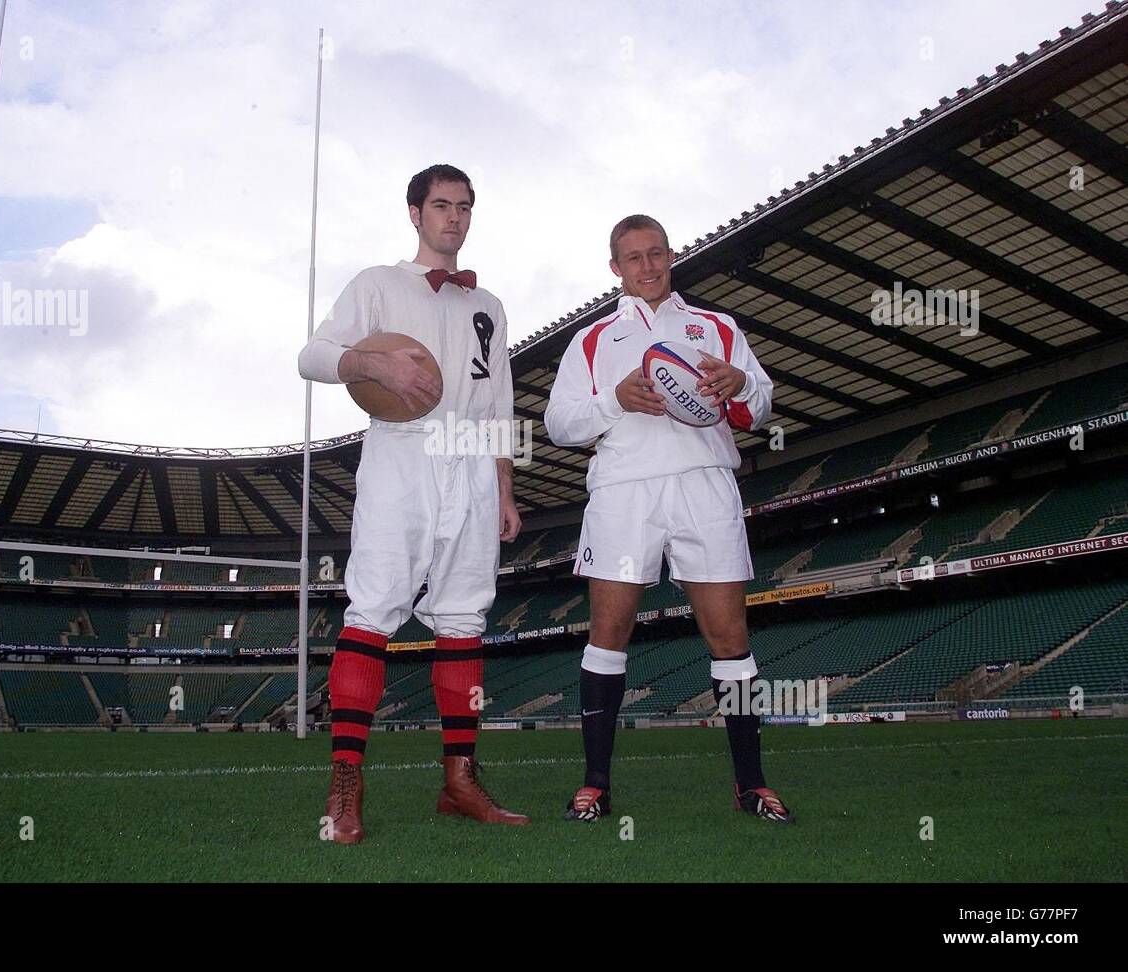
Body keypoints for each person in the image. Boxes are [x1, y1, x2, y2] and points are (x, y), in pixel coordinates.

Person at [297, 163, 527, 844]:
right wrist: (373, 366)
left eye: (464, 207)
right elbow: (311, 354)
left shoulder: (490, 304)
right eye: (441, 206)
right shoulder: (378, 283)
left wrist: (505, 486)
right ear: (415, 214)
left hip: (473, 468)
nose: (453, 218)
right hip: (402, 452)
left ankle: (459, 780)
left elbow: (501, 406)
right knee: (373, 608)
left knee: (463, 616)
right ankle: (345, 783)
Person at [544, 214, 792, 824]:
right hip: (624, 490)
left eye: (656, 254)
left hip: (705, 484)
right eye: (633, 257)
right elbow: (558, 424)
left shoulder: (717, 326)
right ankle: (596, 784)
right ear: (615, 268)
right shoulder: (594, 340)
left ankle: (751, 784)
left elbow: (760, 402)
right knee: (609, 633)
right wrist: (614, 399)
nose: (647, 266)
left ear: (671, 256)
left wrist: (739, 386)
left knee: (730, 639)